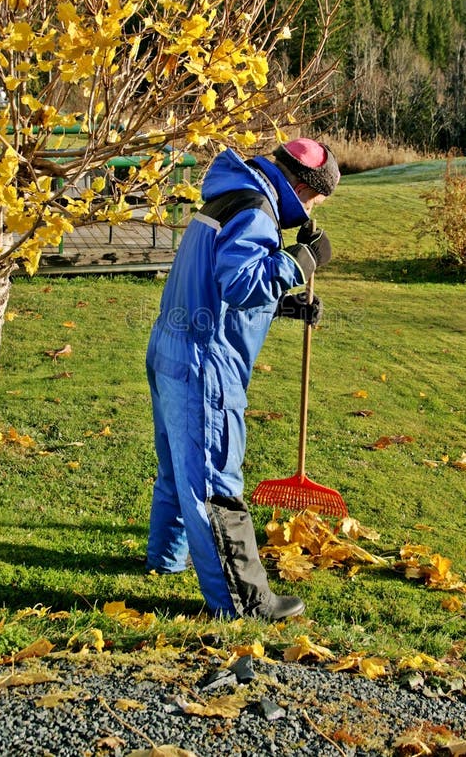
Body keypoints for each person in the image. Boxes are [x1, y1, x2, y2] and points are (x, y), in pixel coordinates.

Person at [145, 138, 340, 619]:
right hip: (205, 364)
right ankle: (243, 602)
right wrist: (301, 262)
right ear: (300, 186)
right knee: (213, 480)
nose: (313, 209)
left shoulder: (228, 195)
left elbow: (221, 285)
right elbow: (241, 282)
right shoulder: (256, 210)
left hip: (173, 346)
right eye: (316, 198)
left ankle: (167, 558)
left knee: (177, 467)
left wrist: (284, 305)